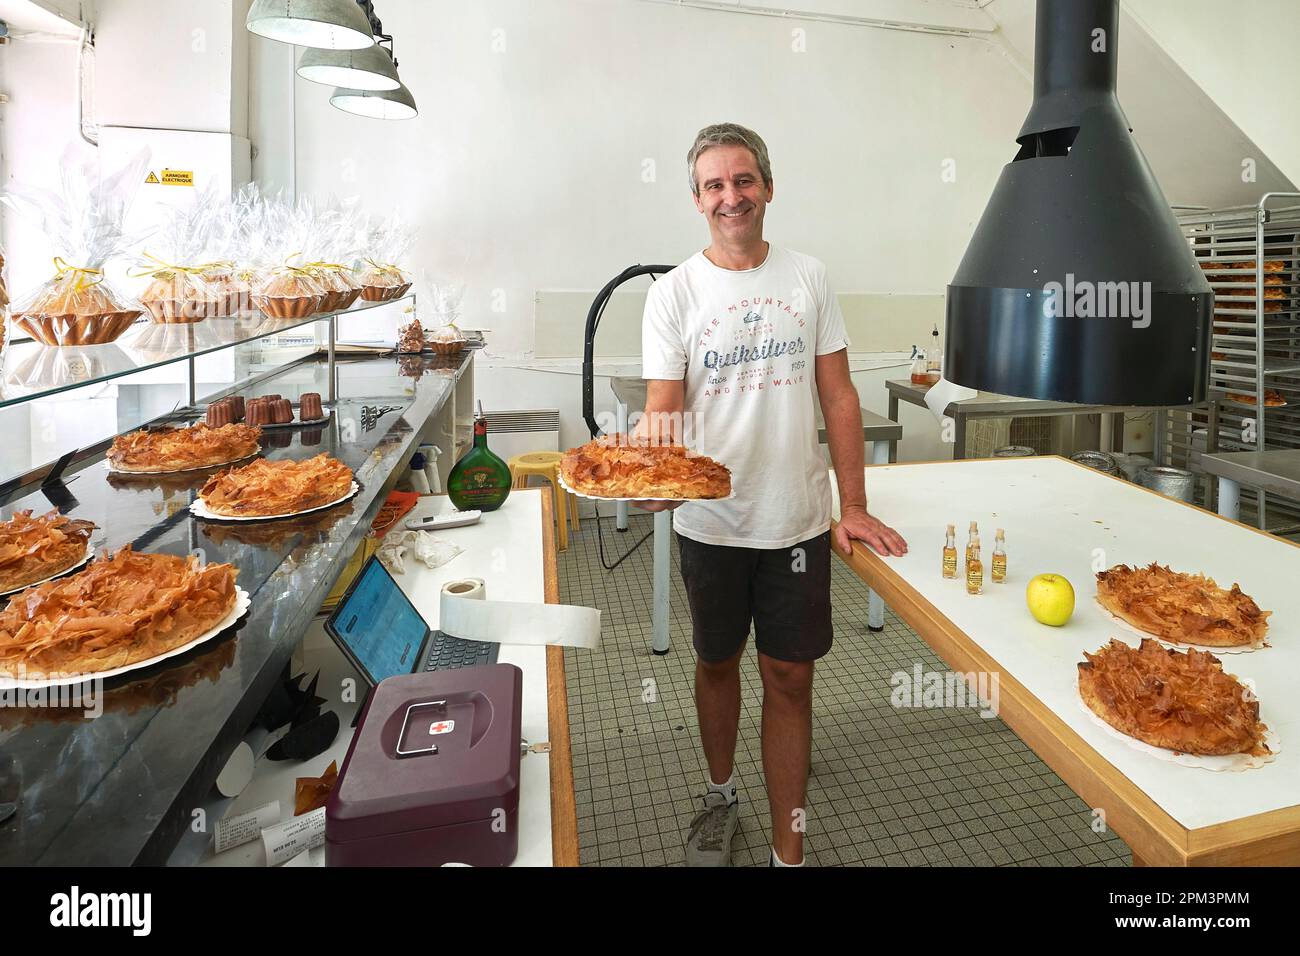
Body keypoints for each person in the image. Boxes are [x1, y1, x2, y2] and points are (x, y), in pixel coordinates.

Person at [634, 123, 908, 867]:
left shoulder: (808, 277)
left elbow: (840, 396)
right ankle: (719, 797)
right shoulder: (673, 294)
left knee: (789, 677)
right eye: (716, 185)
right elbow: (664, 407)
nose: (733, 196)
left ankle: (790, 850)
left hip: (794, 519)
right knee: (717, 662)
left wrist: (851, 505)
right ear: (697, 199)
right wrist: (650, 474)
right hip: (712, 522)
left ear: (768, 187)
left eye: (744, 180)